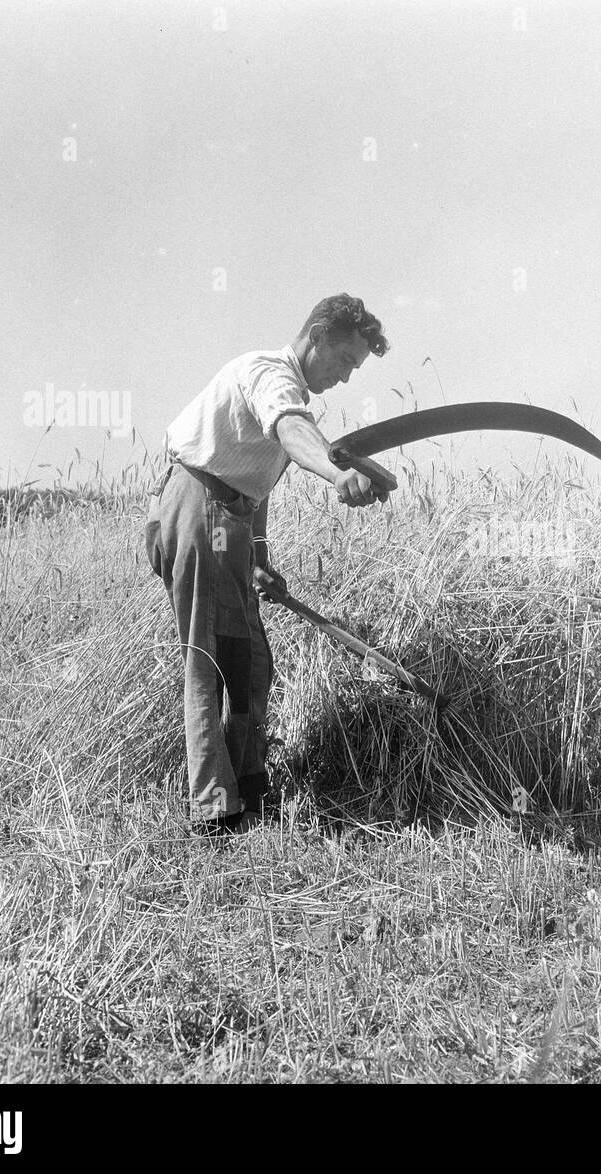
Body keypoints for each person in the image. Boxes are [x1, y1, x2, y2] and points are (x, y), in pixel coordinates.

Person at [144, 293, 390, 836]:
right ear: (318, 335)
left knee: (250, 662)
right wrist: (337, 471)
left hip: (225, 517)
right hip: (196, 508)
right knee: (206, 658)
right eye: (345, 360)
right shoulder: (269, 375)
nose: (346, 376)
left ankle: (250, 792)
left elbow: (255, 484)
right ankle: (214, 810)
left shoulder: (292, 395)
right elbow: (290, 431)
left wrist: (258, 554)